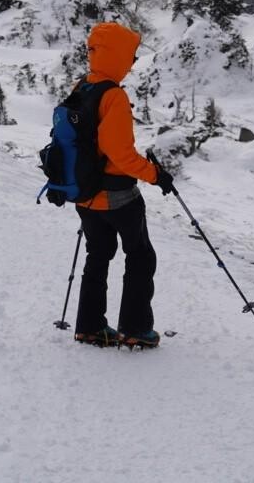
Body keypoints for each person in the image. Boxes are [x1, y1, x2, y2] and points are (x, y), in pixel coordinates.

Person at [73, 21, 175, 349]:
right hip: (117, 196)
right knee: (140, 256)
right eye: (130, 56)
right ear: (117, 55)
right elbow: (120, 154)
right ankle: (135, 328)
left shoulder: (81, 87)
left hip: (84, 194)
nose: (132, 62)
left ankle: (90, 327)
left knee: (97, 256)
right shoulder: (113, 96)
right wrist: (155, 175)